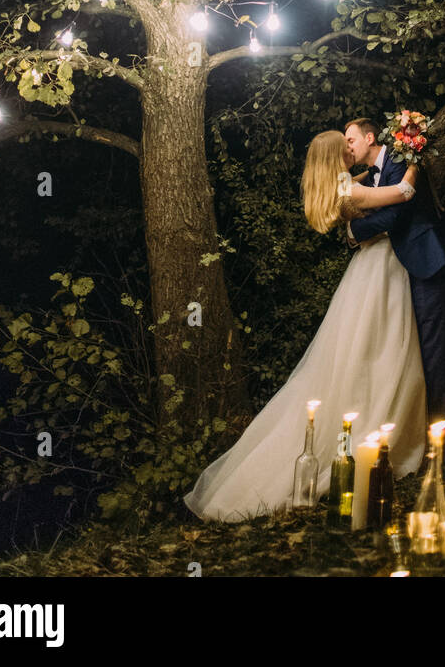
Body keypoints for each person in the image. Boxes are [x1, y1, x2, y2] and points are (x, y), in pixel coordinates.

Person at [183, 129, 427, 522]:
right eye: (345, 147)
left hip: (370, 268)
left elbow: (368, 184)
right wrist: (415, 157)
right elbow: (403, 193)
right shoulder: (348, 188)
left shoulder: (342, 184)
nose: (351, 149)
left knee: (365, 347)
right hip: (377, 270)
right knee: (379, 346)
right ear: (337, 156)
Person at [342, 119, 445, 422]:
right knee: (407, 352)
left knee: (432, 352)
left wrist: (354, 231)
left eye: (351, 140)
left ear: (369, 137)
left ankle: (438, 432)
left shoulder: (399, 159)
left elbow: (395, 217)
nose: (347, 147)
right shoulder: (368, 177)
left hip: (424, 263)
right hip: (395, 273)